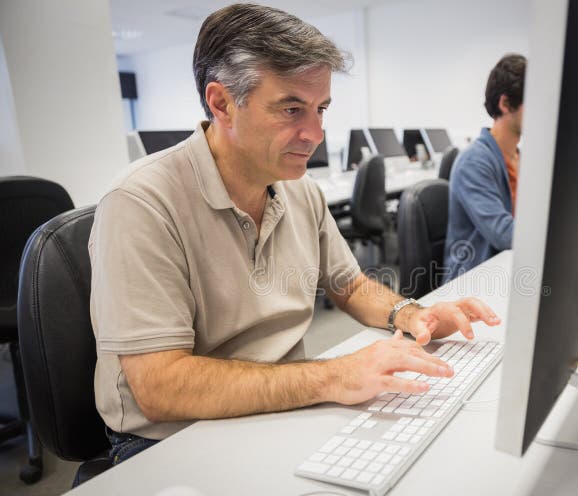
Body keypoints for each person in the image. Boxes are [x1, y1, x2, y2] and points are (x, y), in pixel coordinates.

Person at [89, 3, 501, 464]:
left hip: (283, 402)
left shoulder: (298, 190)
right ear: (221, 103)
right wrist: (333, 376)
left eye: (320, 108)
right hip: (172, 440)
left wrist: (412, 315)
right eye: (291, 109)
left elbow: (350, 286)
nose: (316, 132)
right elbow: (161, 388)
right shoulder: (141, 203)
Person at [443, 54, 526, 281]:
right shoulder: (474, 162)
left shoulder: (522, 158)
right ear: (505, 104)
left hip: (511, 267)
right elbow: (504, 234)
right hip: (475, 281)